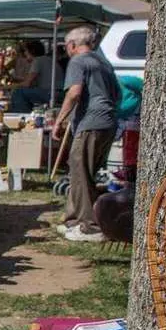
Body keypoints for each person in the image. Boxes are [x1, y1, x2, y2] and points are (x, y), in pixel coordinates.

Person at [52, 25, 122, 242]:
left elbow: (74, 93)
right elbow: (118, 94)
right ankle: (73, 219)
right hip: (108, 122)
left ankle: (91, 226)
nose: (66, 50)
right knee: (81, 172)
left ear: (72, 45)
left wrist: (59, 120)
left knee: (81, 173)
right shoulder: (103, 62)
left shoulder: (78, 61)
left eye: (66, 47)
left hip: (90, 123)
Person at [8, 41, 50, 111]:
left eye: (26, 51)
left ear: (32, 51)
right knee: (23, 92)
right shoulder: (46, 59)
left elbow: (27, 84)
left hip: (50, 93)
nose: (25, 53)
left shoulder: (37, 60)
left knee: (18, 92)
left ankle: (22, 117)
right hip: (54, 92)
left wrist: (6, 87)